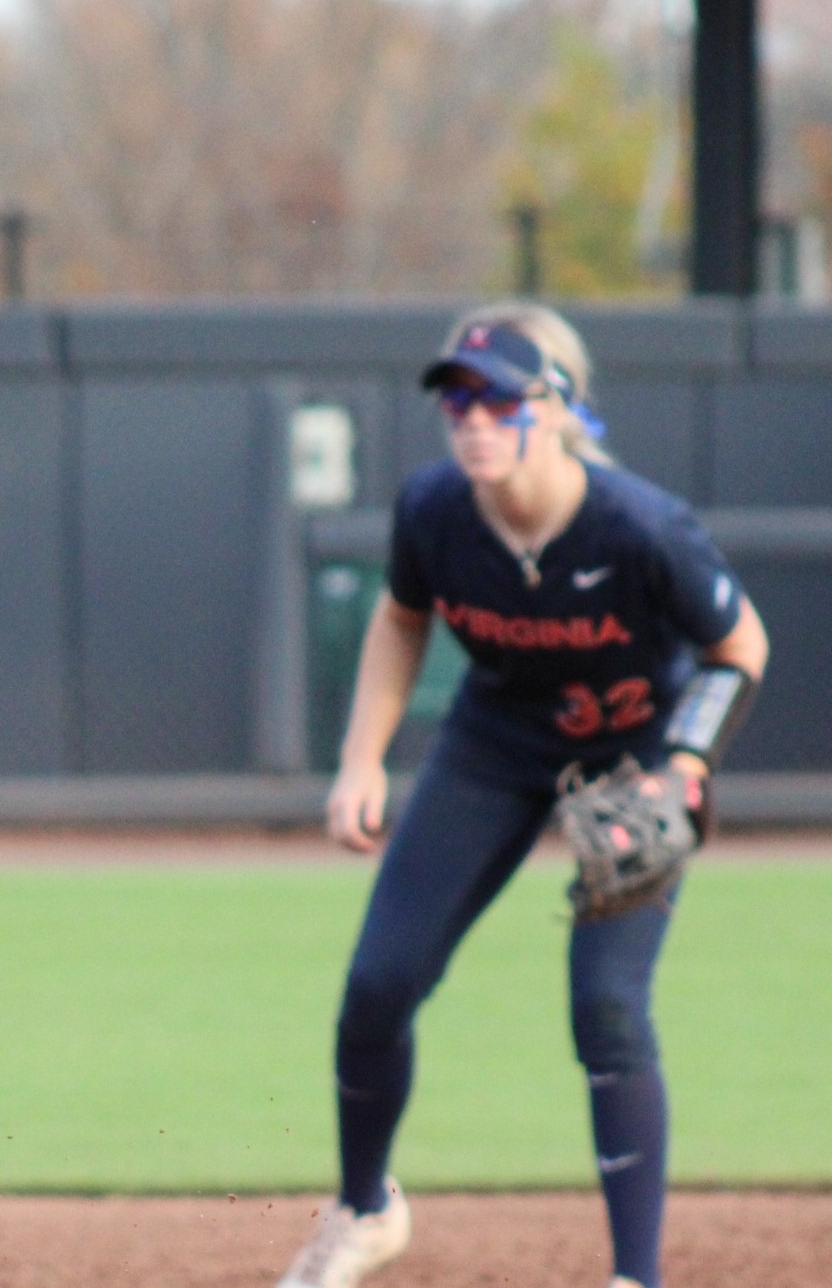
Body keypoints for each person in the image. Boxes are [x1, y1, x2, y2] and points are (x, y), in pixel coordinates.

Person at [276, 306, 770, 1288]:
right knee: (376, 988)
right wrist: (361, 759)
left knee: (606, 1007)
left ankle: (635, 1277)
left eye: (497, 397)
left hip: (631, 758)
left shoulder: (639, 526)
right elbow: (400, 617)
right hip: (493, 744)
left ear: (558, 409)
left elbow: (739, 646)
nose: (472, 417)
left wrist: (684, 765)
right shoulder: (434, 511)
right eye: (456, 398)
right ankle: (365, 1212)